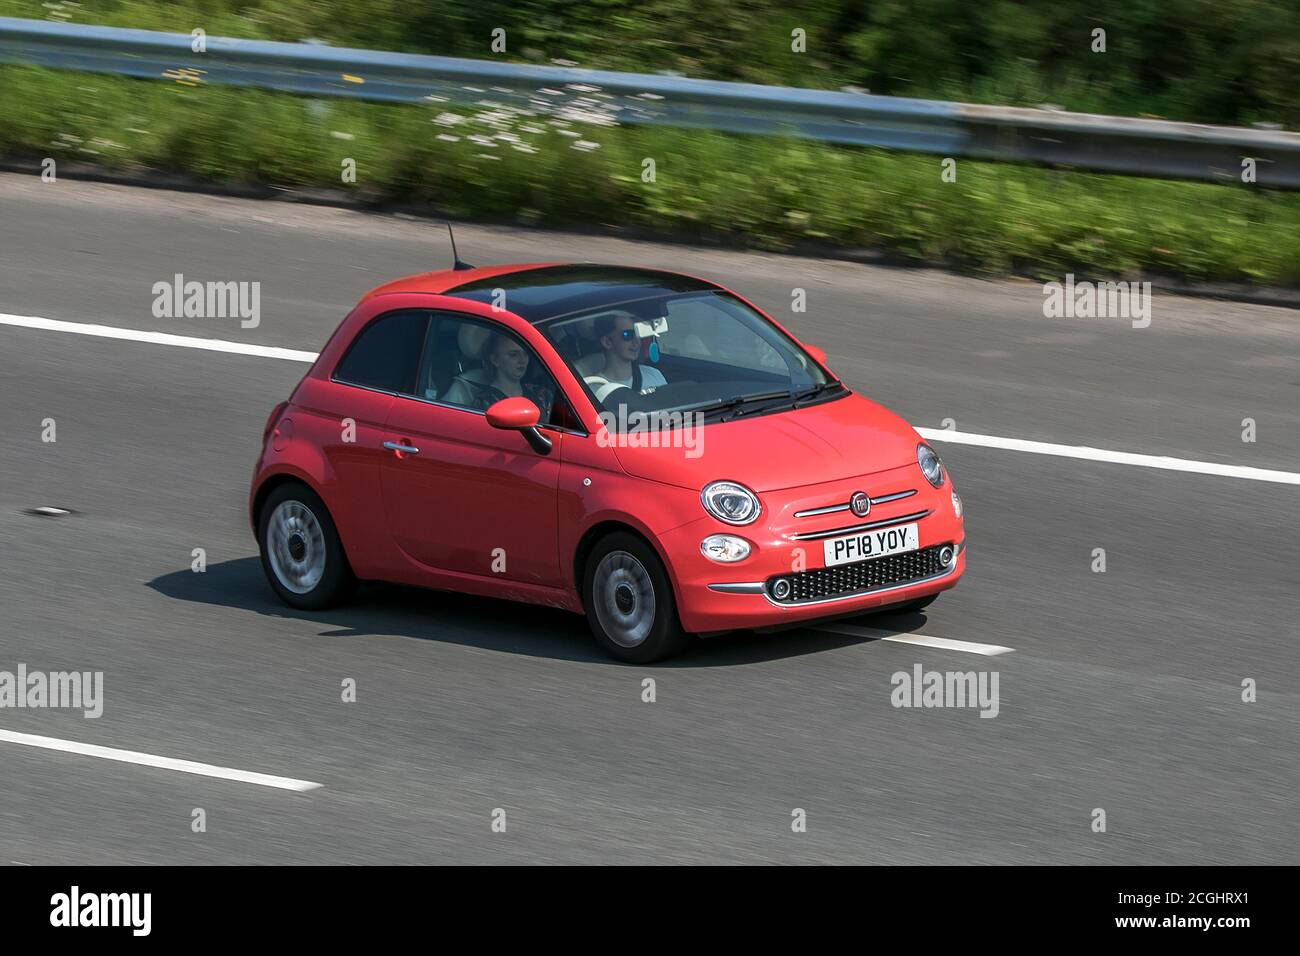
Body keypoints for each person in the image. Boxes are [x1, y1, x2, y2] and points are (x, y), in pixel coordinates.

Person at [444, 331, 554, 414]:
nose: (522, 360)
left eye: (525, 354)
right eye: (513, 354)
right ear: (495, 360)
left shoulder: (542, 394)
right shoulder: (485, 402)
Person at [588, 311, 667, 398]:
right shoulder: (595, 389)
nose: (637, 341)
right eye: (627, 335)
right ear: (607, 342)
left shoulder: (654, 374)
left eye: (637, 334)